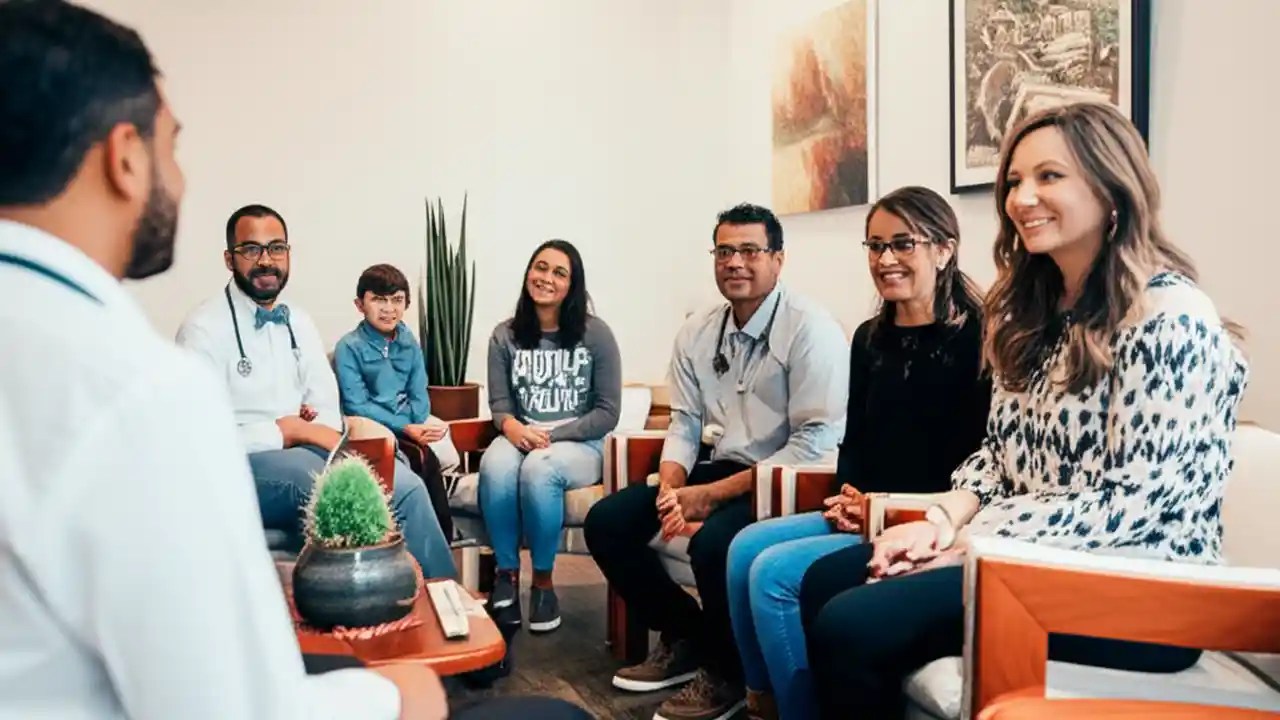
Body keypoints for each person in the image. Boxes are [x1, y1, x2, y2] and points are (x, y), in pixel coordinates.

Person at [799, 102, 1249, 719]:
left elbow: (1132, 507)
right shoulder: (1032, 314)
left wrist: (967, 545)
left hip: (1142, 587)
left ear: (1111, 185)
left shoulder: (1169, 317)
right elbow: (997, 459)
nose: (1022, 197)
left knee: (853, 623)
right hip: (1027, 562)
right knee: (826, 580)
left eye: (1049, 176)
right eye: (1014, 180)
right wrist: (937, 521)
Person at [724, 186, 990, 720]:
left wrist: (887, 508)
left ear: (944, 249)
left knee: (774, 573)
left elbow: (978, 461)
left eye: (902, 244)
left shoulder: (981, 337)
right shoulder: (869, 337)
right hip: (865, 508)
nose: (885, 259)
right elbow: (857, 439)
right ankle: (764, 702)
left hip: (928, 516)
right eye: (874, 245)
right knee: (743, 548)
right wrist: (852, 496)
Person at [584, 203, 849, 720]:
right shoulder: (699, 332)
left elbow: (816, 442)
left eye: (750, 250)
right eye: (724, 251)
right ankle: (691, 636)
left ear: (778, 259)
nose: (735, 262)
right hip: (725, 465)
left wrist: (712, 496)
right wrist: (672, 488)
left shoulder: (811, 329)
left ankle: (728, 672)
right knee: (608, 521)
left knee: (714, 544)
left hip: (792, 479)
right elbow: (684, 421)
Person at [175, 204, 456, 580]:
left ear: (288, 254)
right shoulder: (203, 329)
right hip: (238, 465)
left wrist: (308, 430)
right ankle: (443, 601)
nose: (265, 260)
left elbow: (324, 405)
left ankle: (431, 605)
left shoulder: (299, 321)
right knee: (370, 490)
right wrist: (286, 430)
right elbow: (199, 437)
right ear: (230, 259)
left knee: (404, 481)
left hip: (309, 448)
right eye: (251, 249)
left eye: (276, 248)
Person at [481, 239, 622, 633]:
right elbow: (500, 405)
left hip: (580, 444)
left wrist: (553, 435)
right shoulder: (503, 336)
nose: (546, 278)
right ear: (528, 273)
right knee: (493, 464)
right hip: (520, 434)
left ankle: (543, 582)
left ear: (572, 285)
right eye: (540, 268)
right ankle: (506, 575)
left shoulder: (596, 335)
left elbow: (608, 412)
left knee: (540, 469)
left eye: (559, 273)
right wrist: (513, 428)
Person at [334, 263, 460, 538]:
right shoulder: (349, 347)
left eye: (397, 300)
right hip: (372, 424)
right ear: (360, 304)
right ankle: (440, 537)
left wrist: (415, 424)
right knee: (422, 458)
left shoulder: (408, 341)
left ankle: (441, 535)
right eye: (379, 300)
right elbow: (357, 405)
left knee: (436, 448)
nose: (389, 308)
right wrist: (405, 429)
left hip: (410, 421)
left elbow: (420, 393)